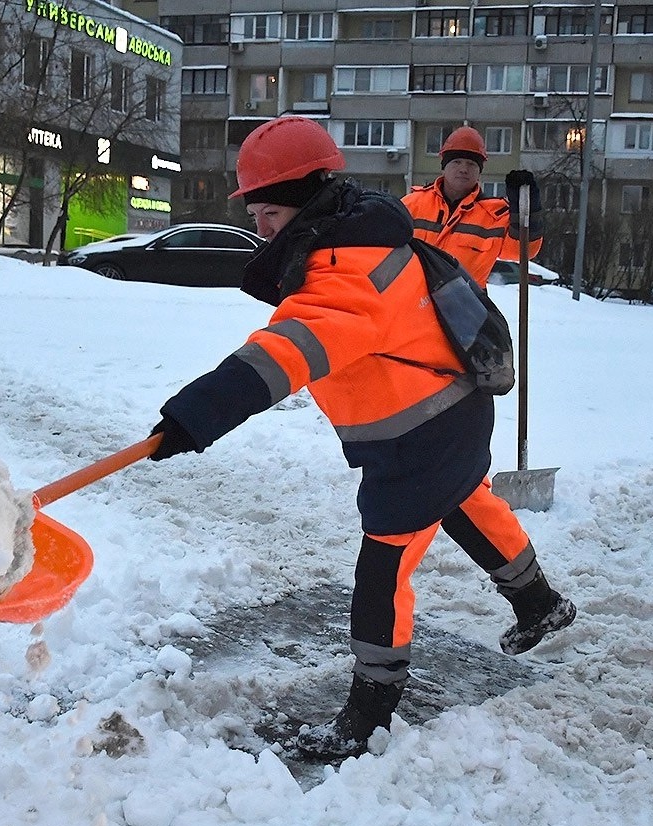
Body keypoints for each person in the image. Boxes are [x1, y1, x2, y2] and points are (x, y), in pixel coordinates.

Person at [145, 115, 575, 760]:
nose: (258, 226)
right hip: (445, 408)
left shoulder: (351, 271)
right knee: (466, 501)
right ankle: (539, 602)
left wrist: (195, 415)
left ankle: (368, 718)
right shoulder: (352, 240)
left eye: (265, 210)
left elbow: (288, 350)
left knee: (382, 570)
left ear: (301, 203)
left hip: (424, 428)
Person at [402, 125, 542, 289]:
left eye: (471, 164)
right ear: (444, 166)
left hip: (465, 306)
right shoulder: (412, 204)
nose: (463, 169)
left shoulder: (494, 216)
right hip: (411, 302)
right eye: (456, 162)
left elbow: (522, 251)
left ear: (479, 171)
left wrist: (528, 211)